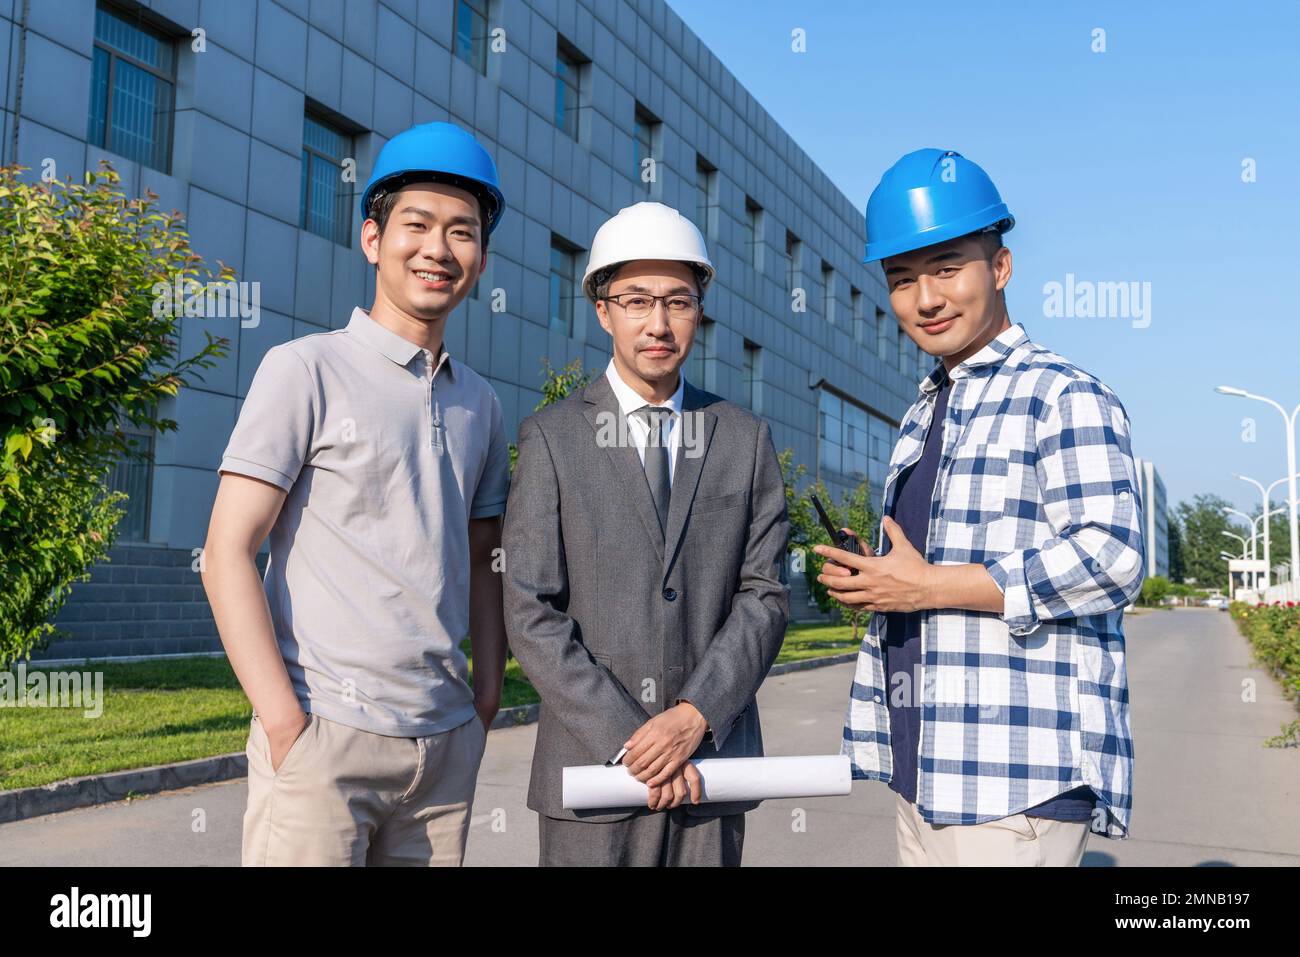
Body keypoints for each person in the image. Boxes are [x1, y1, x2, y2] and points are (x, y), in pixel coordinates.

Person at [816, 149, 1144, 866]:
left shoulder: (1061, 394)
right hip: (924, 766)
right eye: (902, 279)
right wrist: (878, 579)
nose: (925, 298)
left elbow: (1112, 557)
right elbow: (937, 565)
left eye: (946, 268)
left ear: (999, 267)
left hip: (1013, 778)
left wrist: (925, 585)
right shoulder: (924, 410)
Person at [201, 122, 511, 866]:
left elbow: (484, 558)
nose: (438, 248)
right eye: (417, 224)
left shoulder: (483, 405)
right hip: (323, 738)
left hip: (442, 750)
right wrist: (285, 724)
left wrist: (486, 698)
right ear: (373, 238)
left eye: (461, 232)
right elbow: (226, 553)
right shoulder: (304, 370)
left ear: (481, 258)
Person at [502, 202, 791, 866]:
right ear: (603, 310)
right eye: (636, 300)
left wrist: (694, 716)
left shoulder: (744, 439)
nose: (658, 323)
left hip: (710, 769)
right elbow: (530, 607)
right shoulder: (551, 438)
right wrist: (634, 741)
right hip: (593, 775)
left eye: (678, 302)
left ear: (699, 311)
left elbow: (765, 595)